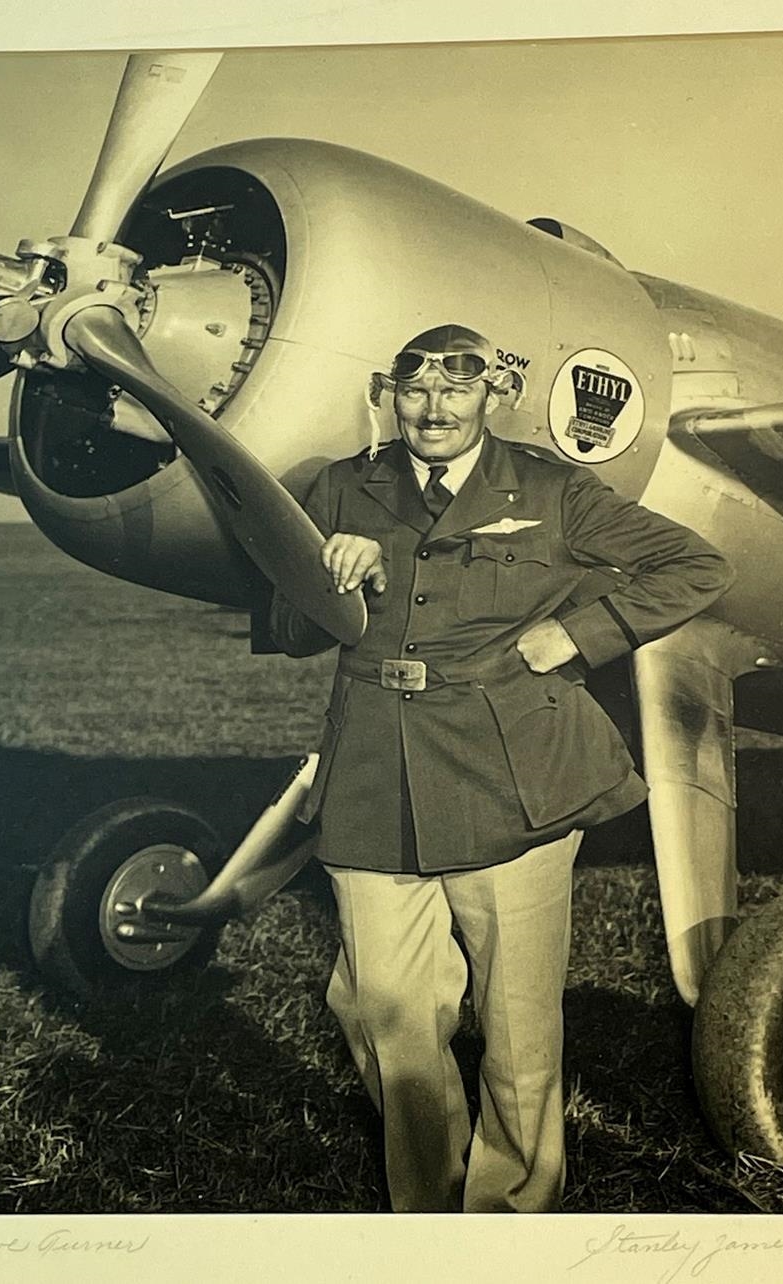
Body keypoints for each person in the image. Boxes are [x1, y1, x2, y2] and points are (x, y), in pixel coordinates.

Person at [270, 324, 733, 1212]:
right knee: (381, 1009)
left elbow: (696, 565)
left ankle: (511, 1210)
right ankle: (430, 1205)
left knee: (518, 1028)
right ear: (390, 396)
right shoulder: (341, 487)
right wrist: (332, 584)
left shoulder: (553, 489)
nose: (434, 408)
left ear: (495, 397)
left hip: (515, 775)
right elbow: (287, 631)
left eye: (457, 389)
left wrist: (582, 634)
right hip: (375, 772)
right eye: (415, 390)